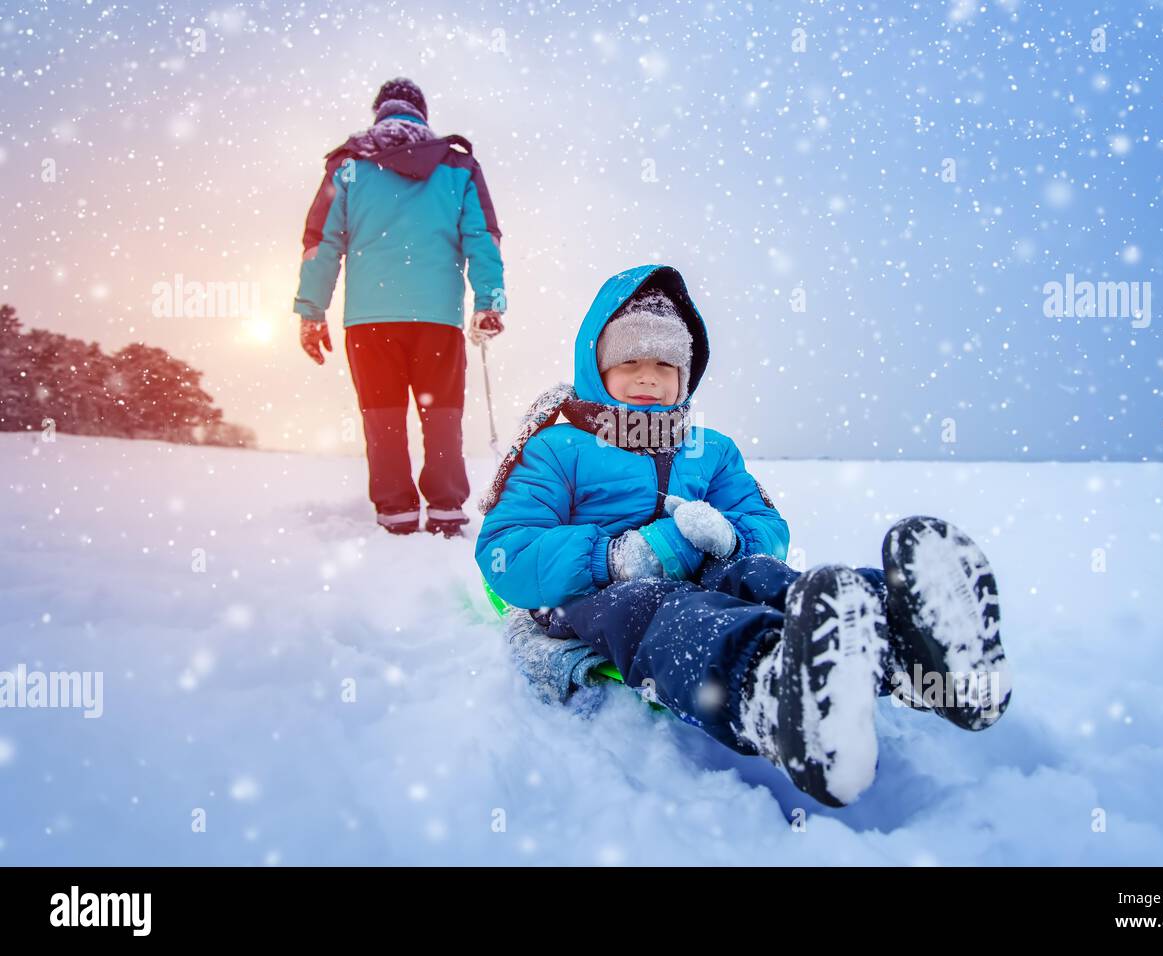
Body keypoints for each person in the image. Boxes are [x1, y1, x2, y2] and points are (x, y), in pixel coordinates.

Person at [474, 265, 1011, 807]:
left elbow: (765, 524)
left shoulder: (711, 450)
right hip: (596, 595)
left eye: (665, 364)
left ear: (686, 376)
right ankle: (772, 690)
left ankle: (911, 639)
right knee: (660, 609)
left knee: (758, 575)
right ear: (596, 368)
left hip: (705, 569)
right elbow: (505, 551)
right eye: (628, 362)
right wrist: (618, 557)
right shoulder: (557, 450)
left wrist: (731, 541)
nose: (647, 377)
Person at [293, 77, 505, 536]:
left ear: (379, 114)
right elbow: (482, 236)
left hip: (370, 321)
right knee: (442, 415)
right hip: (437, 319)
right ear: (422, 115)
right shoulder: (457, 165)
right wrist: (489, 300)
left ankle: (396, 512)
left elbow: (322, 242)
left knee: (382, 417)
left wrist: (311, 311)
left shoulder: (349, 166)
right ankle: (447, 510)